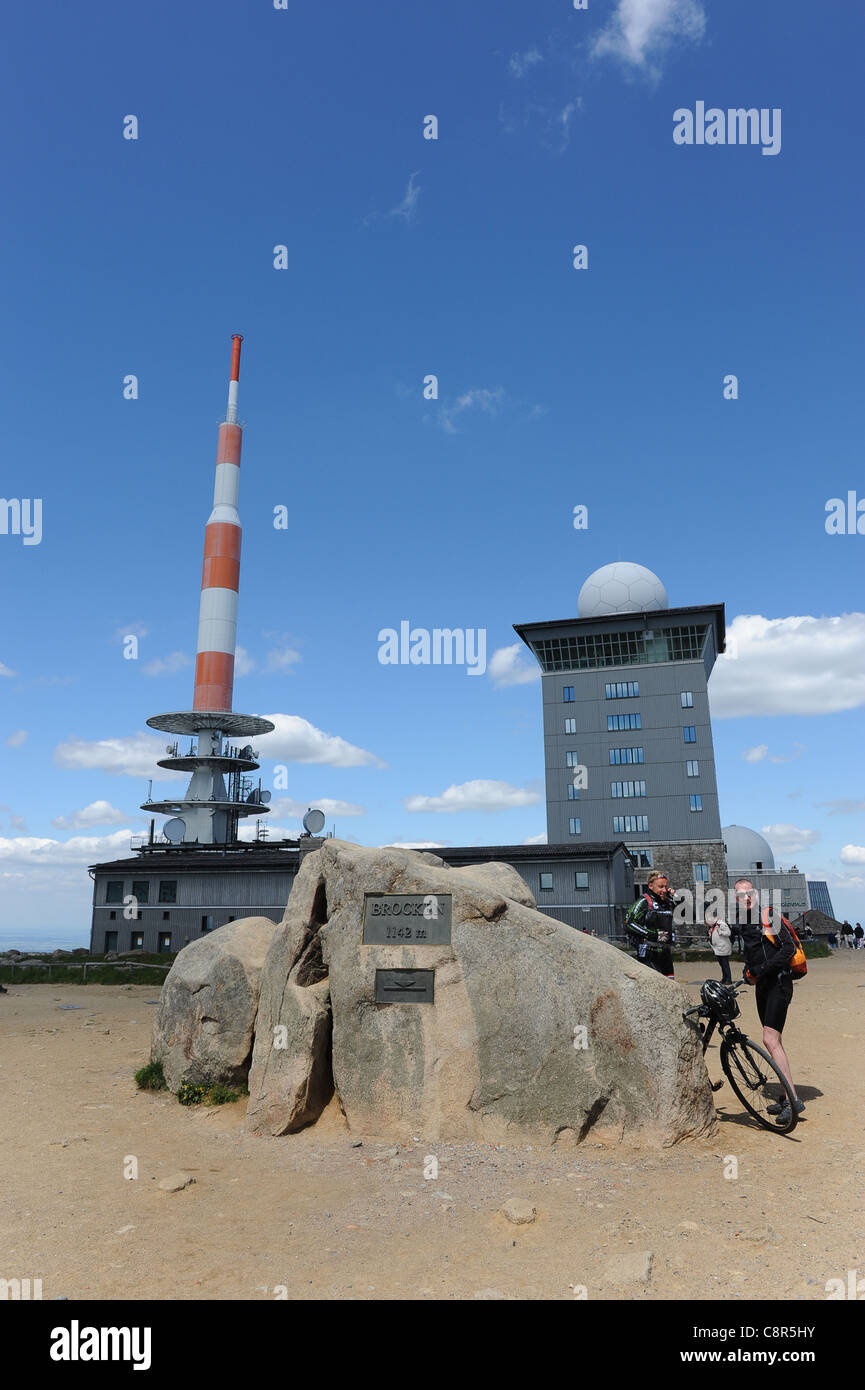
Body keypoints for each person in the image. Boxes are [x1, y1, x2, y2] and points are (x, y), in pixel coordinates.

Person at [734, 879, 803, 1126]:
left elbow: (788, 949)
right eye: (742, 895)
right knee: (776, 1041)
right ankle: (786, 1098)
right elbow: (752, 954)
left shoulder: (768, 915)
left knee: (769, 1039)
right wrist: (749, 973)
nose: (747, 898)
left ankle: (794, 1101)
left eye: (750, 893)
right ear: (737, 899)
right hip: (763, 986)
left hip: (779, 982)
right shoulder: (743, 922)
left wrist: (761, 970)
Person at [625, 871, 676, 978]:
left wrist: (678, 898)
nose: (664, 890)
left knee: (671, 986)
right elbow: (629, 923)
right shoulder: (644, 901)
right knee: (655, 986)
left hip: (665, 951)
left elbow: (692, 914)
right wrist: (653, 934)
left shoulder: (668, 902)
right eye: (660, 887)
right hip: (649, 952)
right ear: (651, 886)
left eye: (666, 887)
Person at [705, 904, 733, 983]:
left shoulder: (722, 924)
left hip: (723, 948)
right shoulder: (714, 926)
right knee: (722, 965)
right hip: (718, 948)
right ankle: (724, 978)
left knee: (725, 965)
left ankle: (728, 979)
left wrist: (720, 932)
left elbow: (728, 933)